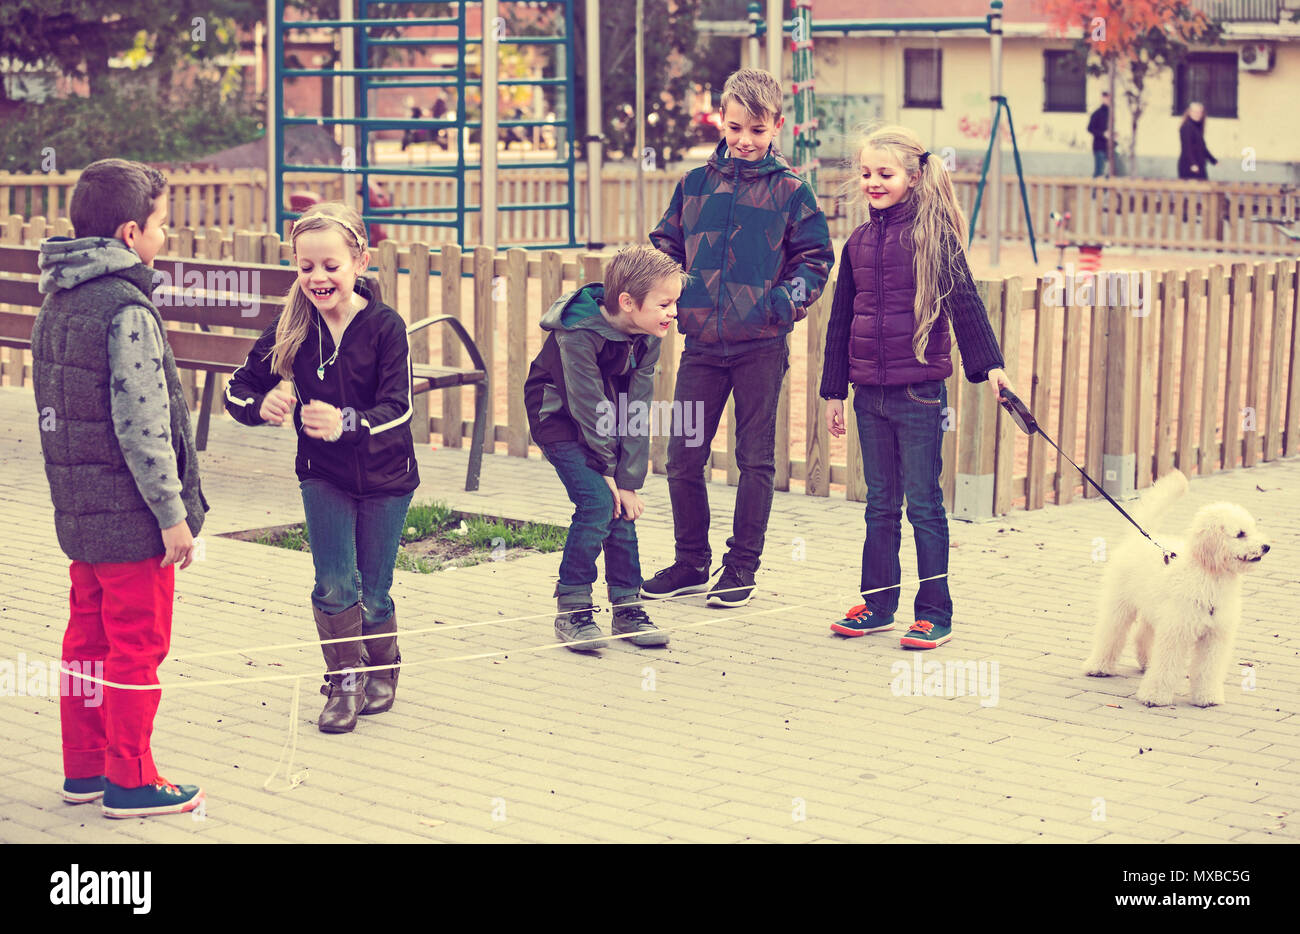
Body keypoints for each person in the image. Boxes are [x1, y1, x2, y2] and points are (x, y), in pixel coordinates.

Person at [32, 158, 206, 817]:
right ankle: (131, 779)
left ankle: (86, 769)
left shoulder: (58, 300)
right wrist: (172, 514)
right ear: (131, 233)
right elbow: (143, 424)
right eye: (162, 225)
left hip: (80, 516)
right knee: (137, 645)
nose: (167, 236)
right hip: (132, 517)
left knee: (88, 642)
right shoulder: (125, 310)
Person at [641, 67, 833, 609]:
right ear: (721, 123)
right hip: (702, 344)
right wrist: (673, 294)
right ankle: (690, 563)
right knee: (682, 457)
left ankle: (741, 567)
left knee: (755, 460)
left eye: (756, 129)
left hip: (760, 347)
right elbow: (665, 246)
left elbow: (815, 258)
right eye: (734, 128)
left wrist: (781, 303)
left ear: (776, 125)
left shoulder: (792, 191)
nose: (745, 140)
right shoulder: (694, 184)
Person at [224, 202, 418, 734]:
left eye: (330, 265)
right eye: (306, 267)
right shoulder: (291, 326)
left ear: (360, 260)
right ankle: (344, 680)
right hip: (323, 474)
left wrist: (345, 423)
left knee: (374, 590)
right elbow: (237, 387)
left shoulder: (384, 327)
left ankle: (384, 666)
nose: (318, 277)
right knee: (335, 584)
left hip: (387, 477)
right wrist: (257, 408)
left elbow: (399, 408)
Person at [820, 126, 1013, 650]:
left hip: (919, 393)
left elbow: (966, 305)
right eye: (866, 174)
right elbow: (840, 321)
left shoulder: (934, 237)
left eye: (885, 174)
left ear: (912, 176)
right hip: (869, 396)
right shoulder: (857, 243)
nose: (873, 182)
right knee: (879, 503)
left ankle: (933, 612)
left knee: (924, 504)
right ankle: (878, 604)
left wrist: (991, 367)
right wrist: (834, 391)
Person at [524, 247, 686, 651]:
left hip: (605, 418)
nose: (673, 313)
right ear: (628, 303)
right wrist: (607, 472)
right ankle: (573, 608)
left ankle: (627, 606)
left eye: (675, 304)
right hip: (559, 420)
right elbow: (585, 404)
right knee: (598, 502)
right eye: (664, 304)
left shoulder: (648, 335)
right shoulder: (578, 333)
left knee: (621, 504)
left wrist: (628, 481)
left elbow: (636, 408)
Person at [1178, 101, 1216, 181]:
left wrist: (1213, 160)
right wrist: (1192, 164)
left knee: (1203, 190)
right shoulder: (1187, 127)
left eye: (1200, 112)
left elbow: (1202, 148)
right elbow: (1186, 147)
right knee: (1192, 191)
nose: (1198, 114)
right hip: (1189, 166)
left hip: (1199, 164)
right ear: (1190, 112)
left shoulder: (1197, 127)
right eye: (1195, 112)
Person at [1087, 91, 1111, 178]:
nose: (1108, 100)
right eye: (1106, 97)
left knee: (1109, 172)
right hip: (1099, 146)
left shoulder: (1111, 113)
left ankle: (1105, 191)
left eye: (1109, 97)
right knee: (1099, 171)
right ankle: (1094, 191)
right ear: (1102, 98)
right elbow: (1090, 128)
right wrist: (1103, 134)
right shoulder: (1097, 113)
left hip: (1109, 147)